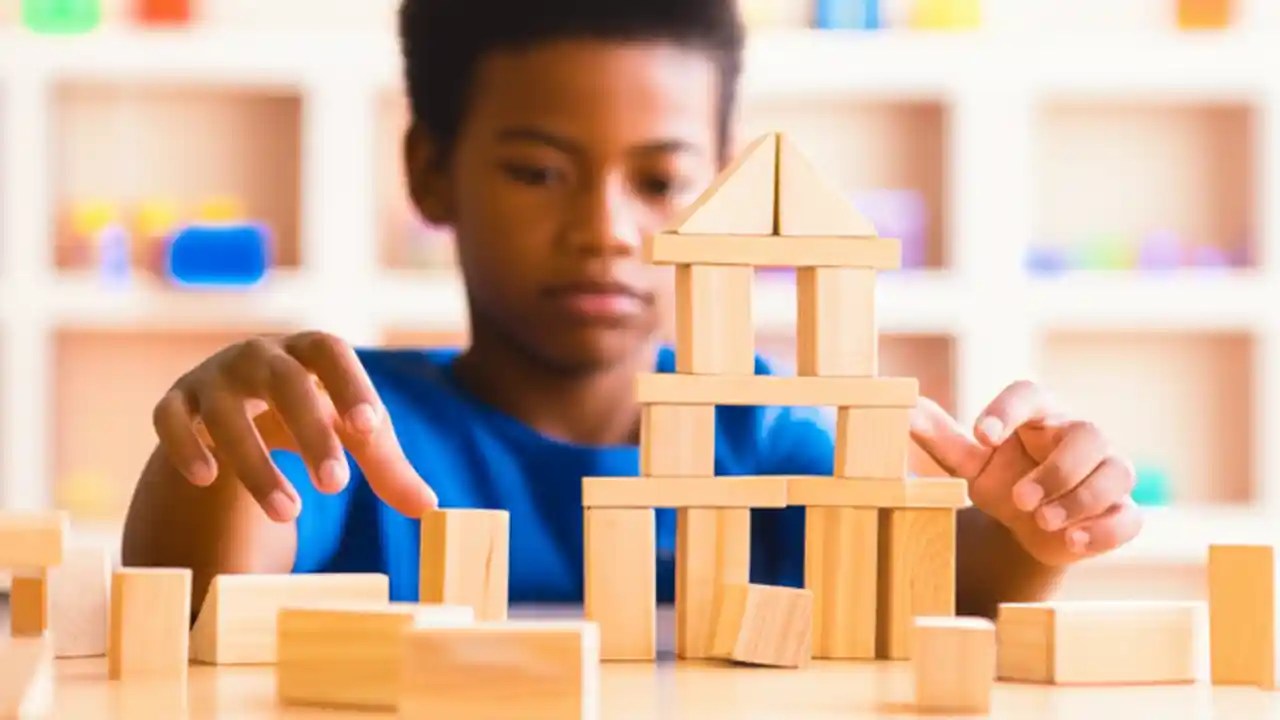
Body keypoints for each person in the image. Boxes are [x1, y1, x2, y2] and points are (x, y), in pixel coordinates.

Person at [122, 0, 1142, 617]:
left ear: (722, 194)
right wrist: (219, 445)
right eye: (535, 171)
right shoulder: (349, 427)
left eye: (657, 182)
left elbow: (950, 596)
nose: (605, 229)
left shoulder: (774, 448)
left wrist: (1026, 530)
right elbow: (198, 600)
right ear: (431, 174)